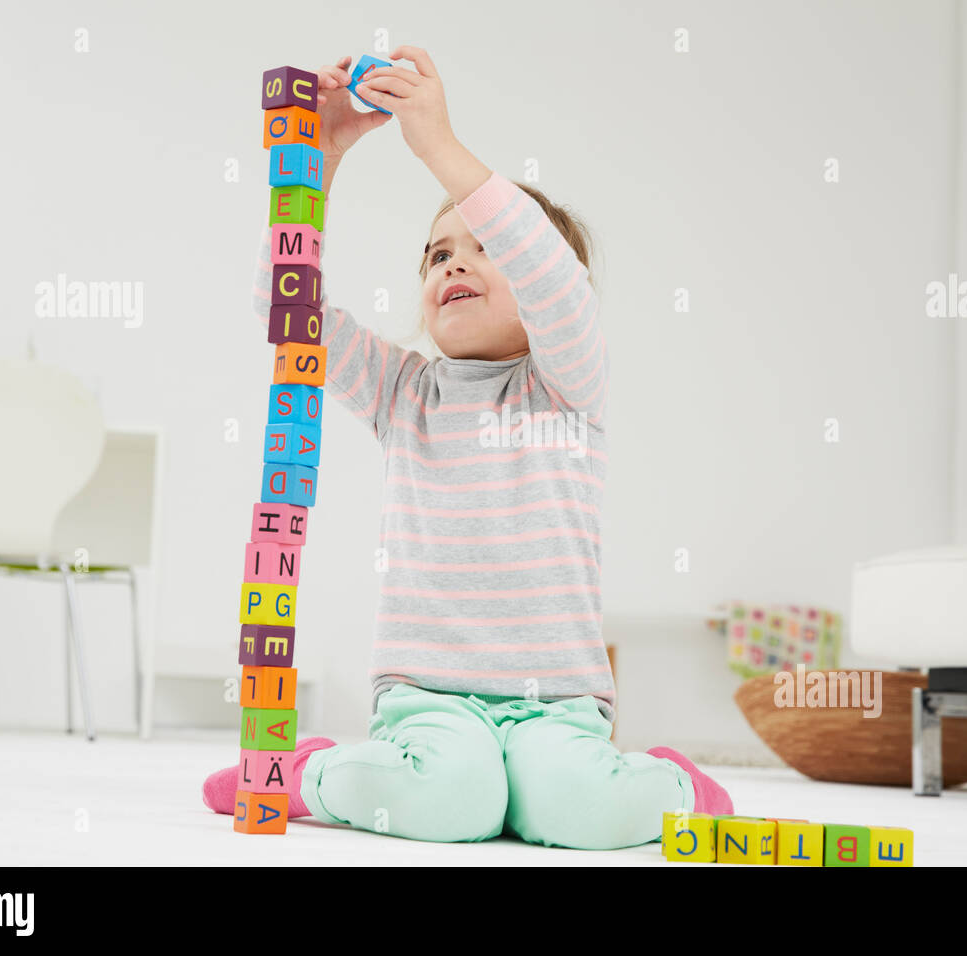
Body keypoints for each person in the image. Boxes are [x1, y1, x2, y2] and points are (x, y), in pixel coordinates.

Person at [204, 47, 731, 848]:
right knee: (454, 805)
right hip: (429, 695)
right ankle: (303, 772)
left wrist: (437, 147)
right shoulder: (403, 393)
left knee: (577, 810)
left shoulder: (570, 388)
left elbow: (552, 278)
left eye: (486, 245)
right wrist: (321, 159)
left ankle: (672, 780)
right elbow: (281, 307)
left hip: (557, 698)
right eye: (438, 253)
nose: (454, 261)